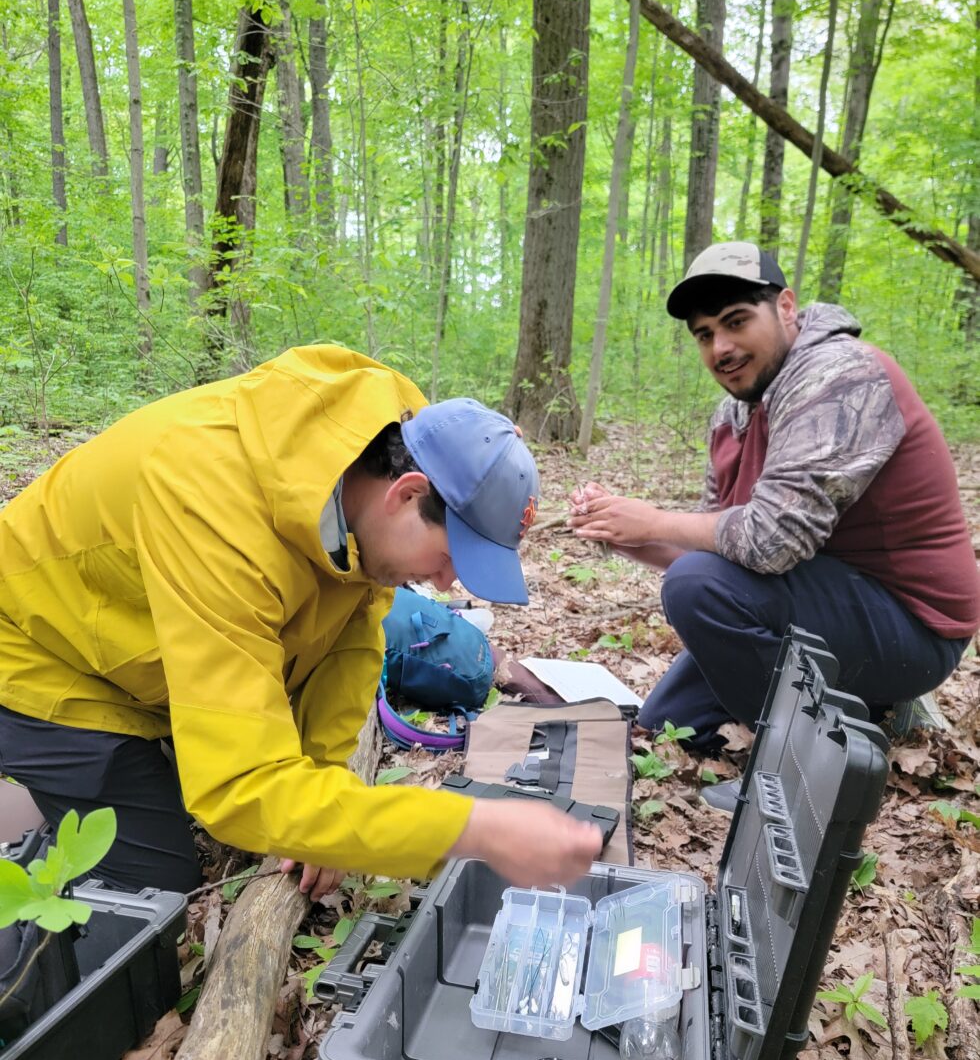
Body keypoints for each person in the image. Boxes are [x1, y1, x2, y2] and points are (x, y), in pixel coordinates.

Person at [0, 344, 601, 895]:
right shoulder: (212, 507)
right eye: (449, 559)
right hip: (41, 652)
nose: (446, 584)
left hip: (139, 644)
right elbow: (240, 787)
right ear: (408, 494)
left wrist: (328, 803)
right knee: (156, 890)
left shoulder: (381, 459)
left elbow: (353, 636)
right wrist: (473, 829)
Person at [569, 241, 979, 805]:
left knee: (693, 589)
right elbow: (720, 552)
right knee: (671, 721)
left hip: (913, 624)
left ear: (786, 307)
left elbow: (768, 543)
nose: (722, 347)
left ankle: (803, 772)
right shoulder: (734, 414)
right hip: (827, 596)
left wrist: (653, 519)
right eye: (705, 334)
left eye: (737, 321)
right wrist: (626, 533)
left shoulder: (839, 376)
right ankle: (857, 704)